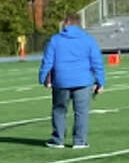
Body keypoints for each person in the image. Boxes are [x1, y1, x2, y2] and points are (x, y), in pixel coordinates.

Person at [38, 12, 105, 148]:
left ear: (67, 22)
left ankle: (58, 139)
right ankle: (79, 141)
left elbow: (47, 61)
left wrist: (43, 78)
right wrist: (100, 82)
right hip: (83, 81)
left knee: (59, 110)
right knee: (81, 112)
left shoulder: (55, 40)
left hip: (61, 81)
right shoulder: (87, 39)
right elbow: (97, 62)